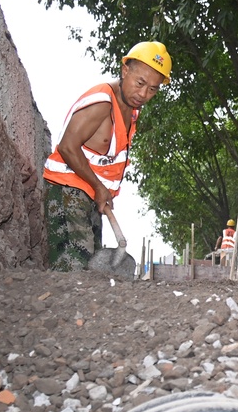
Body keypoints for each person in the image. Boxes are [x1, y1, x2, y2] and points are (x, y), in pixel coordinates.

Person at [42, 41, 171, 270]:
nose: (143, 94)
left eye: (153, 89)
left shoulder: (131, 110)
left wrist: (102, 190)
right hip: (68, 190)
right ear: (125, 70)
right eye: (140, 83)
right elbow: (67, 147)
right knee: (73, 267)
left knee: (92, 268)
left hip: (92, 195)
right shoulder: (102, 102)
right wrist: (99, 187)